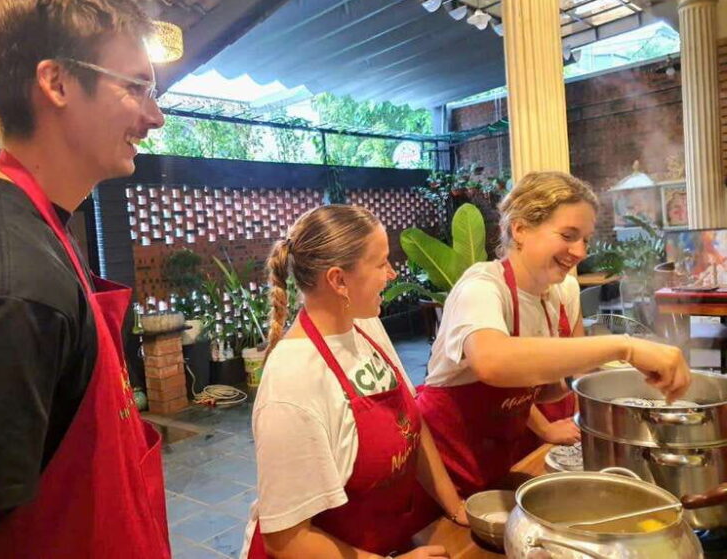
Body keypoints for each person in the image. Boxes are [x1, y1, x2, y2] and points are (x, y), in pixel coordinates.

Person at [0, 0, 166, 558]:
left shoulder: (39, 227)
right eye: (136, 87)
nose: (154, 117)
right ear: (56, 82)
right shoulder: (6, 291)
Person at [417, 171, 691, 498]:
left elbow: (545, 388)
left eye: (585, 239)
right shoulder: (482, 287)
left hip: (501, 456)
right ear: (519, 229)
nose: (580, 251)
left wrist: (632, 378)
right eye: (568, 235)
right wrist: (625, 347)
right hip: (450, 469)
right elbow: (492, 363)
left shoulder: (558, 292)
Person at [241, 205, 465, 559]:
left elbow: (413, 428)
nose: (392, 273)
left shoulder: (365, 325)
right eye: (381, 263)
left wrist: (457, 509)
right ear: (338, 280)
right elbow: (286, 540)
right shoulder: (293, 380)